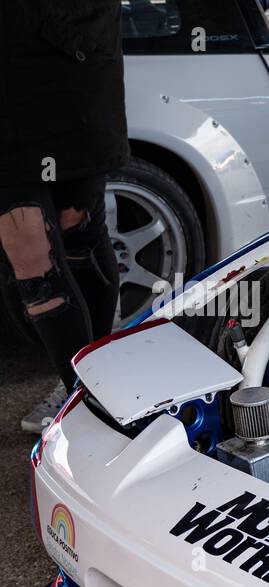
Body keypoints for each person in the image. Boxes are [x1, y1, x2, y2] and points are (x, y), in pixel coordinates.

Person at [0, 1, 128, 398]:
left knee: (80, 230)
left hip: (75, 59)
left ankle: (92, 387)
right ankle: (81, 393)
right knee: (28, 249)